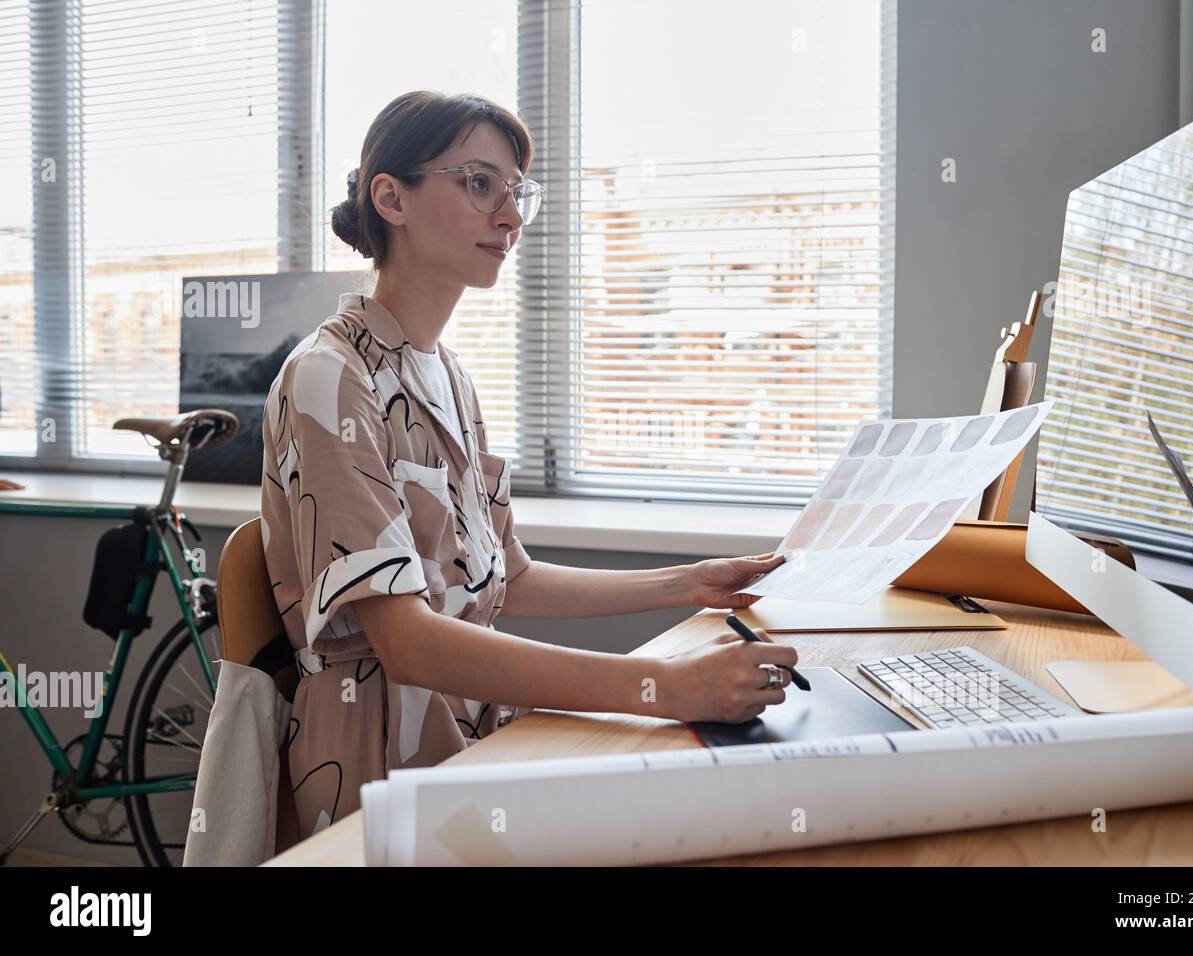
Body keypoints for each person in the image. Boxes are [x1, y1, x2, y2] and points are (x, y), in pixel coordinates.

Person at [260, 91, 796, 838]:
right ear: (392, 197)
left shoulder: (449, 377)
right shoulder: (330, 378)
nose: (509, 217)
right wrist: (662, 685)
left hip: (483, 743)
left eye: (517, 193)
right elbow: (408, 643)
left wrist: (686, 583)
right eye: (480, 184)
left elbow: (505, 578)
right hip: (381, 775)